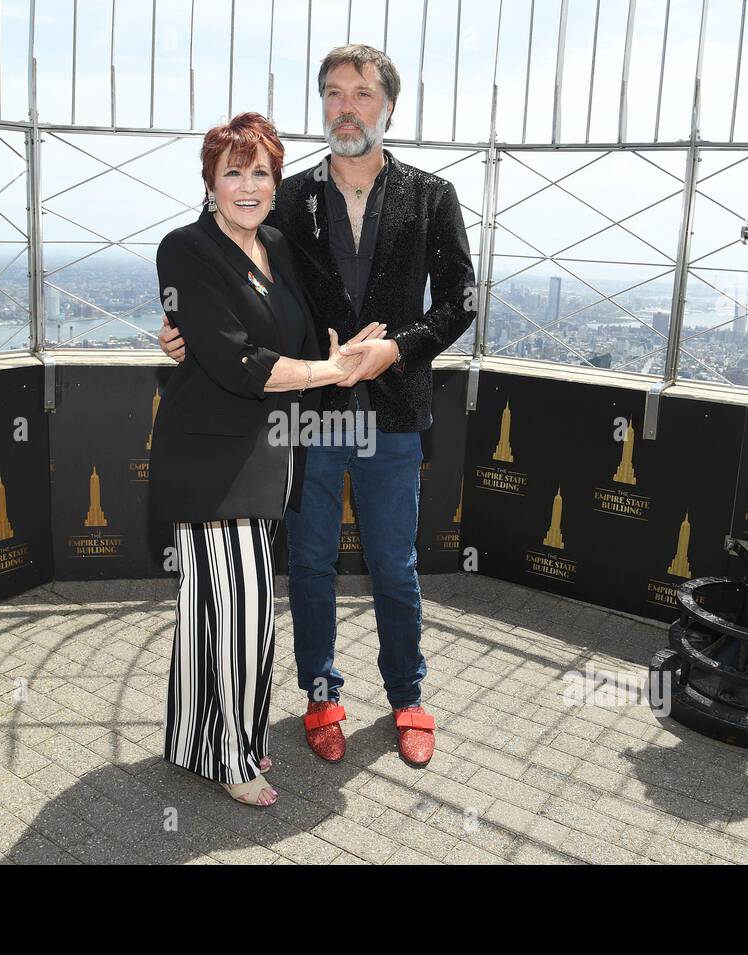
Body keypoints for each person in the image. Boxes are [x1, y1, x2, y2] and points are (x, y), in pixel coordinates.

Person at [159, 45, 477, 768]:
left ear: (388, 105)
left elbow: (461, 301)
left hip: (393, 413)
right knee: (309, 561)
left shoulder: (433, 196)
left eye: (361, 93)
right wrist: (187, 329)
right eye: (332, 93)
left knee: (395, 566)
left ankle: (406, 695)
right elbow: (224, 263)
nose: (345, 106)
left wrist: (396, 348)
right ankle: (322, 691)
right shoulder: (288, 195)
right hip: (310, 410)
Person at [149, 112, 387, 807]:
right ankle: (232, 757)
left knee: (212, 612)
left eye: (260, 172)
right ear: (211, 182)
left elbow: (306, 331)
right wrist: (328, 371)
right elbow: (235, 361)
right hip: (211, 466)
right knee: (243, 615)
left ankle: (196, 739)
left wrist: (345, 354)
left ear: (275, 183)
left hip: (272, 457)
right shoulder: (185, 249)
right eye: (233, 172)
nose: (247, 186)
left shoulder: (278, 247)